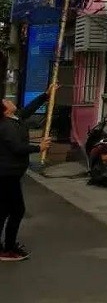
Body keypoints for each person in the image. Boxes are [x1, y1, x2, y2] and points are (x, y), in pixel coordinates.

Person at [0, 89, 52, 262]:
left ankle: (6, 246)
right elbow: (17, 148)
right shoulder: (6, 126)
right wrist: (39, 148)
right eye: (5, 101)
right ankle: (7, 250)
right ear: (5, 110)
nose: (8, 100)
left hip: (11, 173)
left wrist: (46, 95)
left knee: (5, 210)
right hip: (7, 174)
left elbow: (28, 110)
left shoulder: (14, 119)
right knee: (17, 210)